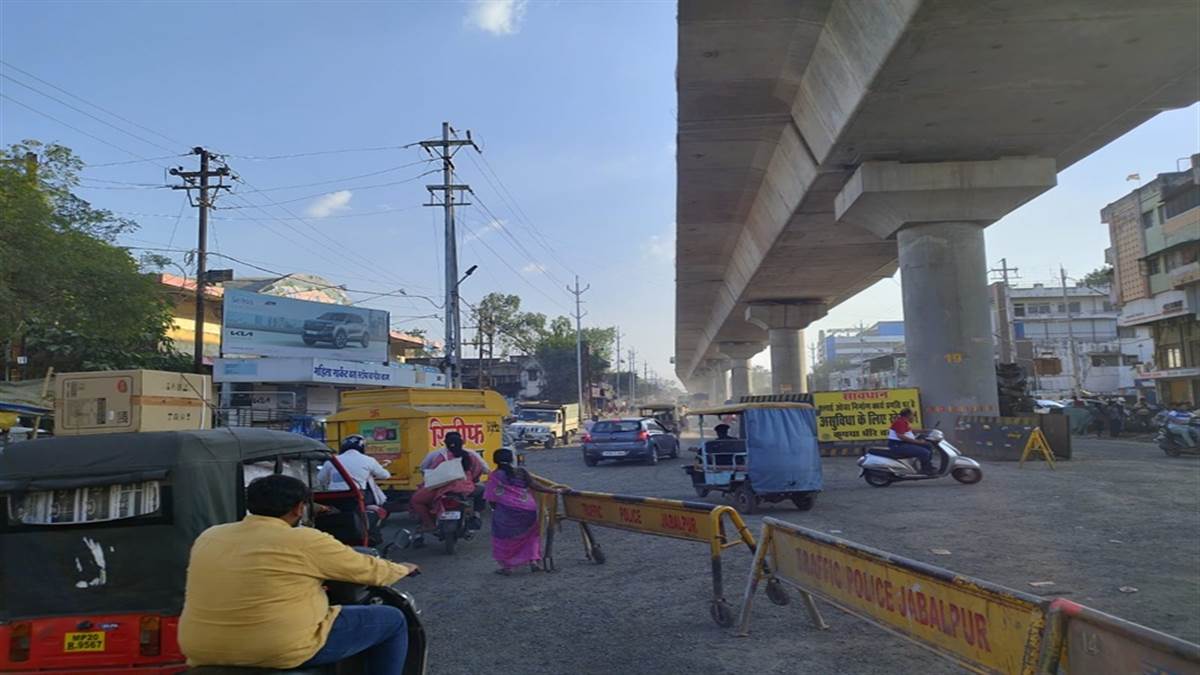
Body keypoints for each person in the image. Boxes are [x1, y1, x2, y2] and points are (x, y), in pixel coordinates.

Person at [179, 475, 418, 673]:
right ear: (299, 508)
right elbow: (368, 570)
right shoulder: (305, 540)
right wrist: (403, 568)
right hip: (279, 648)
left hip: (201, 648)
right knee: (393, 620)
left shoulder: (210, 536)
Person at [484, 447, 554, 575]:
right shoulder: (521, 472)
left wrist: (497, 510)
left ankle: (508, 567)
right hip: (528, 509)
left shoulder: (494, 476)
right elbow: (535, 486)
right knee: (531, 536)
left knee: (504, 539)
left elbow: (491, 498)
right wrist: (554, 490)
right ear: (511, 459)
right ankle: (533, 561)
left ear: (495, 461)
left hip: (506, 513)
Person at [409, 431, 487, 532]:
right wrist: (472, 480)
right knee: (482, 490)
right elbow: (478, 470)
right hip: (465, 488)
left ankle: (428, 524)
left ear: (445, 443)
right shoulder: (470, 455)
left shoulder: (440, 456)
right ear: (462, 443)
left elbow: (430, 471)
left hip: (441, 489)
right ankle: (476, 515)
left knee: (416, 500)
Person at [317, 435, 390, 505]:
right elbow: (385, 476)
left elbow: (320, 479)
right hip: (357, 496)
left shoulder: (331, 461)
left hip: (334, 496)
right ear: (362, 448)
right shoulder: (369, 460)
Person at [886, 408, 934, 474]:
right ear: (908, 415)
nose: (913, 416)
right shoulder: (900, 422)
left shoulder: (903, 421)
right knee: (924, 452)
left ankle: (928, 466)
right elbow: (901, 436)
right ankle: (925, 469)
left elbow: (909, 430)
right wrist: (917, 442)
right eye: (913, 415)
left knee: (928, 446)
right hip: (898, 445)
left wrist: (924, 430)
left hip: (904, 443)